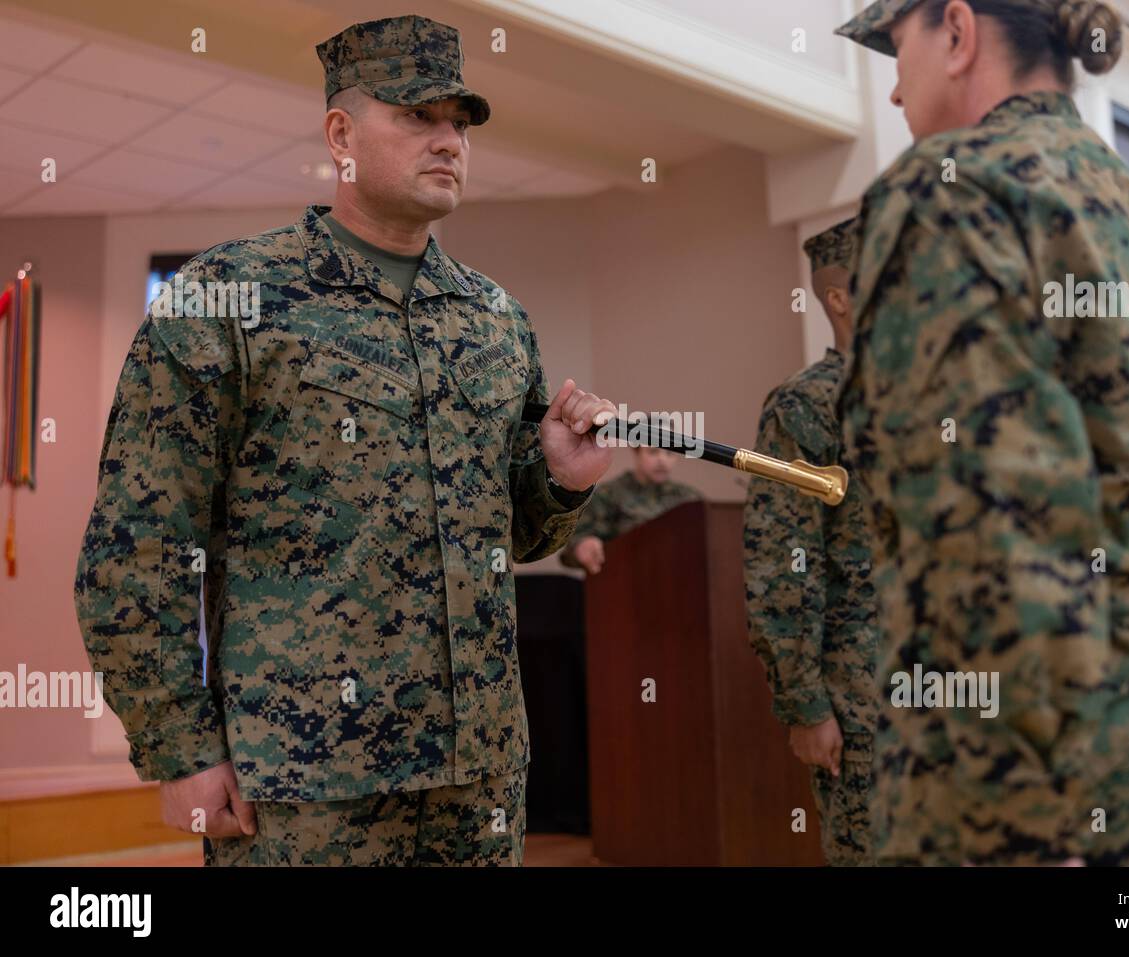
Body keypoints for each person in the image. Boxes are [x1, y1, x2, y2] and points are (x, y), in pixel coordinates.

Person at [74, 14, 618, 867]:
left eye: (461, 122)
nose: (449, 141)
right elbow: (138, 544)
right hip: (304, 786)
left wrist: (557, 478)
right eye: (418, 116)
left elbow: (509, 536)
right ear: (342, 134)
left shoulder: (496, 319)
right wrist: (180, 746)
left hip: (476, 782)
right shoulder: (225, 299)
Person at [835, 0, 1129, 865]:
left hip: (1073, 790)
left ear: (959, 33)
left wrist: (1017, 825)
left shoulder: (952, 191)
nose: (893, 91)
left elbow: (988, 533)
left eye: (897, 49)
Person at [743, 220, 878, 866]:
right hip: (864, 702)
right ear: (840, 299)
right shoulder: (805, 407)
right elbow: (782, 561)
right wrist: (804, 702)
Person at [560, 446, 701, 575]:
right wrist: (583, 546)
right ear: (636, 451)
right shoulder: (610, 494)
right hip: (626, 583)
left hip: (679, 582)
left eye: (670, 452)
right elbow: (574, 543)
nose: (662, 460)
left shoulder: (689, 498)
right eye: (653, 452)